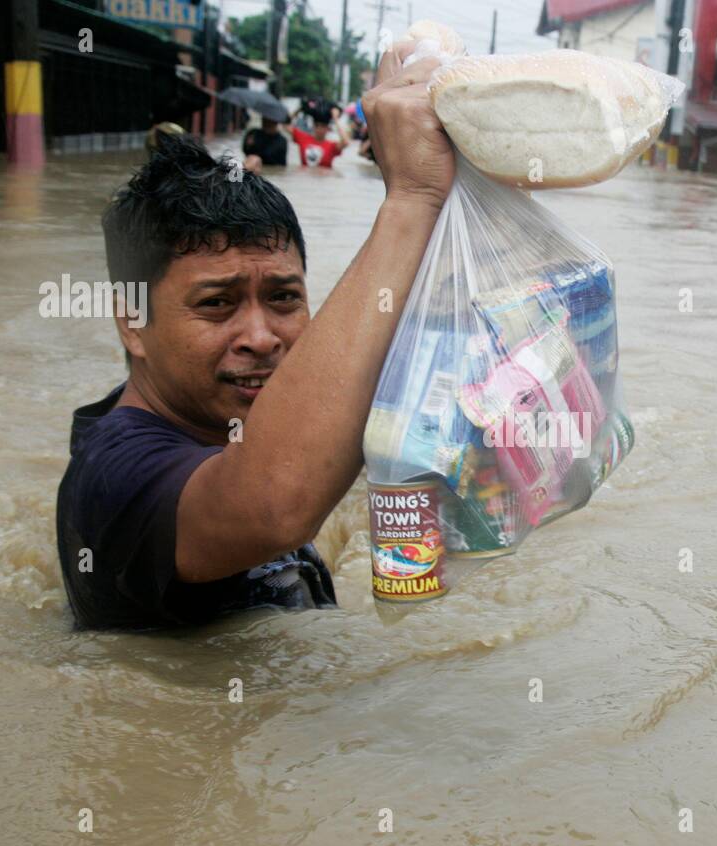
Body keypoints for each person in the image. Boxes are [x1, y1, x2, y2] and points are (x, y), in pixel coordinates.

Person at [55, 42, 454, 629]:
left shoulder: (230, 423)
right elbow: (274, 507)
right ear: (132, 322)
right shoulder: (114, 472)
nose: (263, 337)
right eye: (217, 304)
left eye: (284, 297)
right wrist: (413, 199)